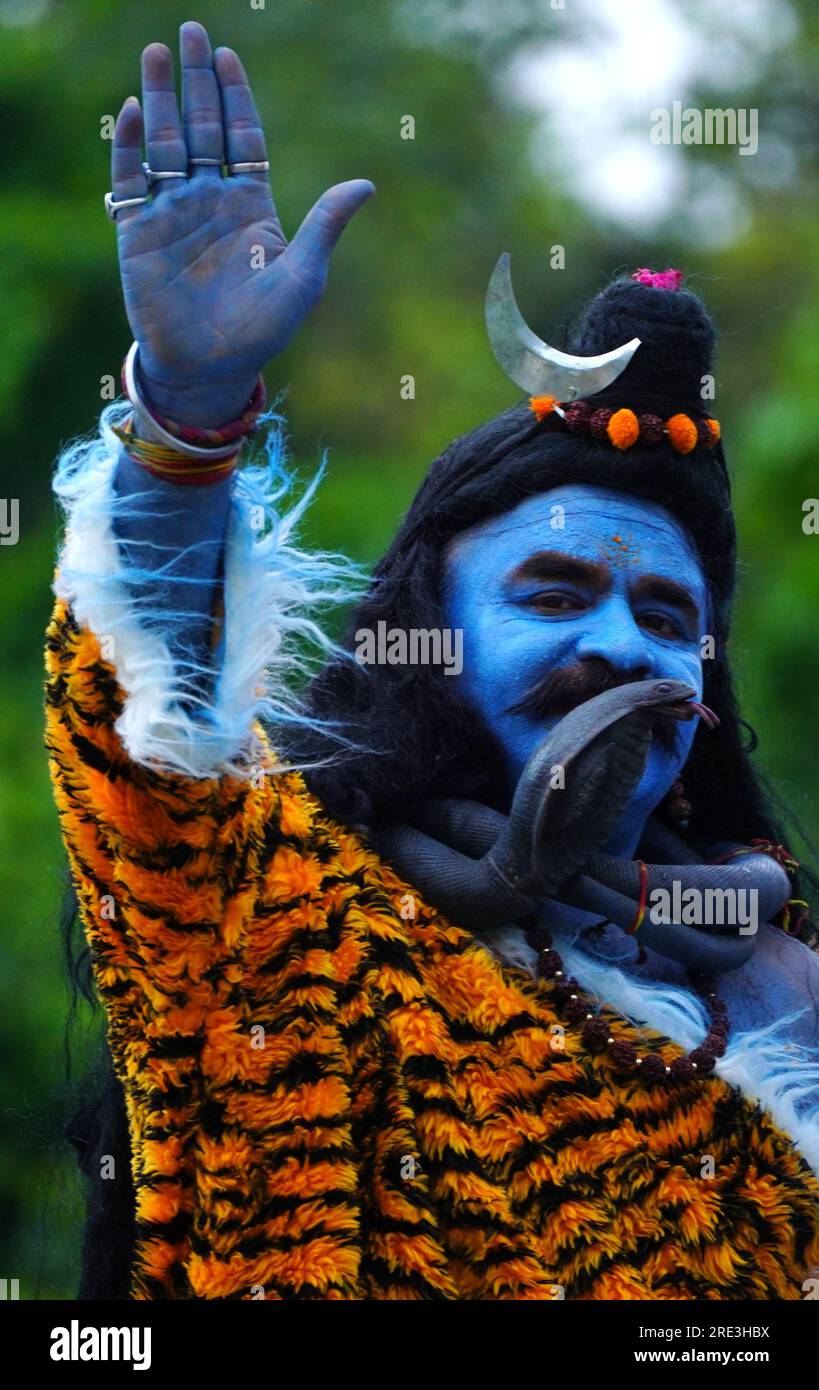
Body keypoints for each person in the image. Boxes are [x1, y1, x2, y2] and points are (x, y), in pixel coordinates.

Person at [48, 20, 819, 1301]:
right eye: (554, 589)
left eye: (669, 617)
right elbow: (153, 728)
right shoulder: (279, 910)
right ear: (431, 643)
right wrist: (186, 421)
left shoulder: (783, 1006)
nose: (621, 644)